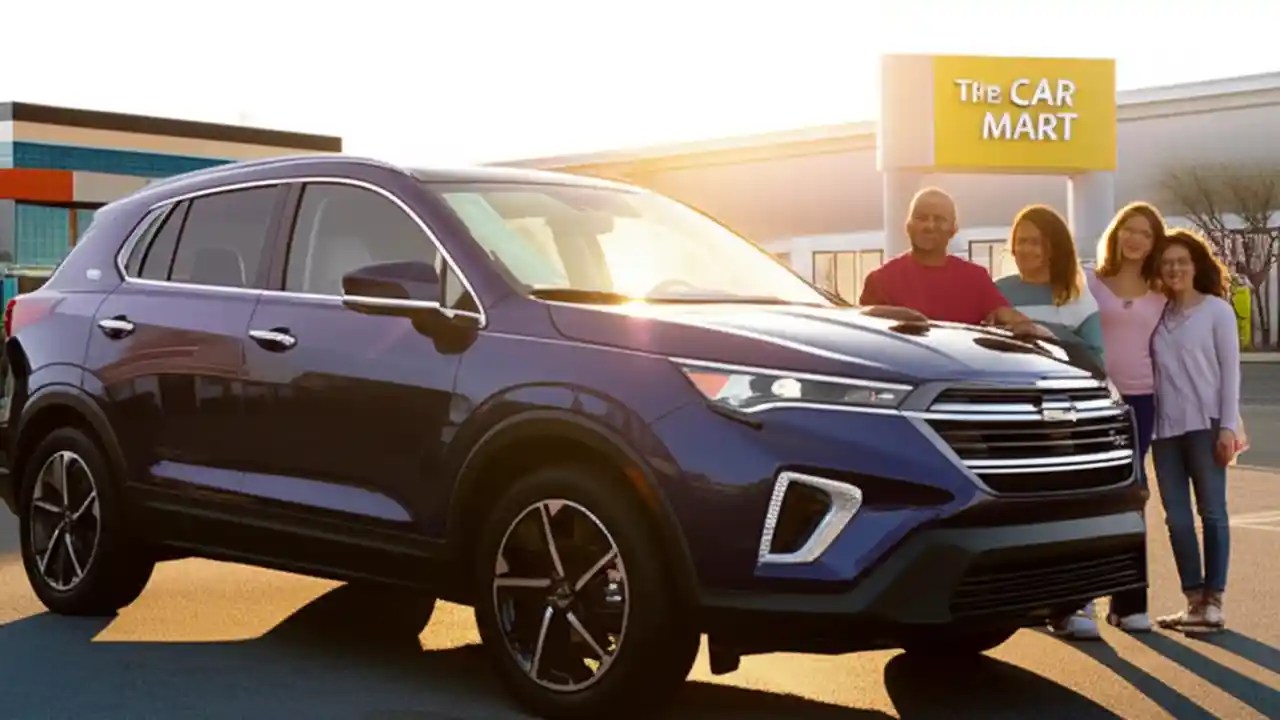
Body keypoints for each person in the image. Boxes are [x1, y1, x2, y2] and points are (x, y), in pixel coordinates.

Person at [1046, 201, 1169, 640]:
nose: (1136, 239)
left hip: (1140, 403)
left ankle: (1129, 603)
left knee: (1130, 498)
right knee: (1084, 498)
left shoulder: (1162, 287)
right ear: (1115, 234)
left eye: (1146, 234)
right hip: (1093, 400)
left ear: (1154, 243)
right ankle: (1076, 602)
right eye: (1129, 230)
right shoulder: (1090, 282)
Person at [1151, 228, 1242, 631]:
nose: (1174, 268)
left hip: (1205, 424)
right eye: (1168, 262)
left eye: (1182, 261)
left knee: (1213, 512)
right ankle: (1192, 600)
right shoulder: (1159, 314)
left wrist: (1227, 426)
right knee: (1177, 517)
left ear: (1195, 266)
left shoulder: (1216, 311)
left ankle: (1215, 600)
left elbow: (1231, 374)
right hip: (1164, 429)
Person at [859, 188, 1045, 335]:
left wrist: (1022, 324)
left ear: (954, 229)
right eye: (922, 218)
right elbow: (867, 340)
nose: (930, 226)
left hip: (963, 379)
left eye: (939, 219)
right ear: (908, 225)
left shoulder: (975, 278)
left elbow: (1004, 314)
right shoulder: (880, 280)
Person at [995, 205, 1105, 367]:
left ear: (1056, 248)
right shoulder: (997, 291)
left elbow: (1096, 361)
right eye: (1021, 241)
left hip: (1059, 388)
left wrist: (1042, 332)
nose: (1024, 249)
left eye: (1035, 242)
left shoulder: (1077, 297)